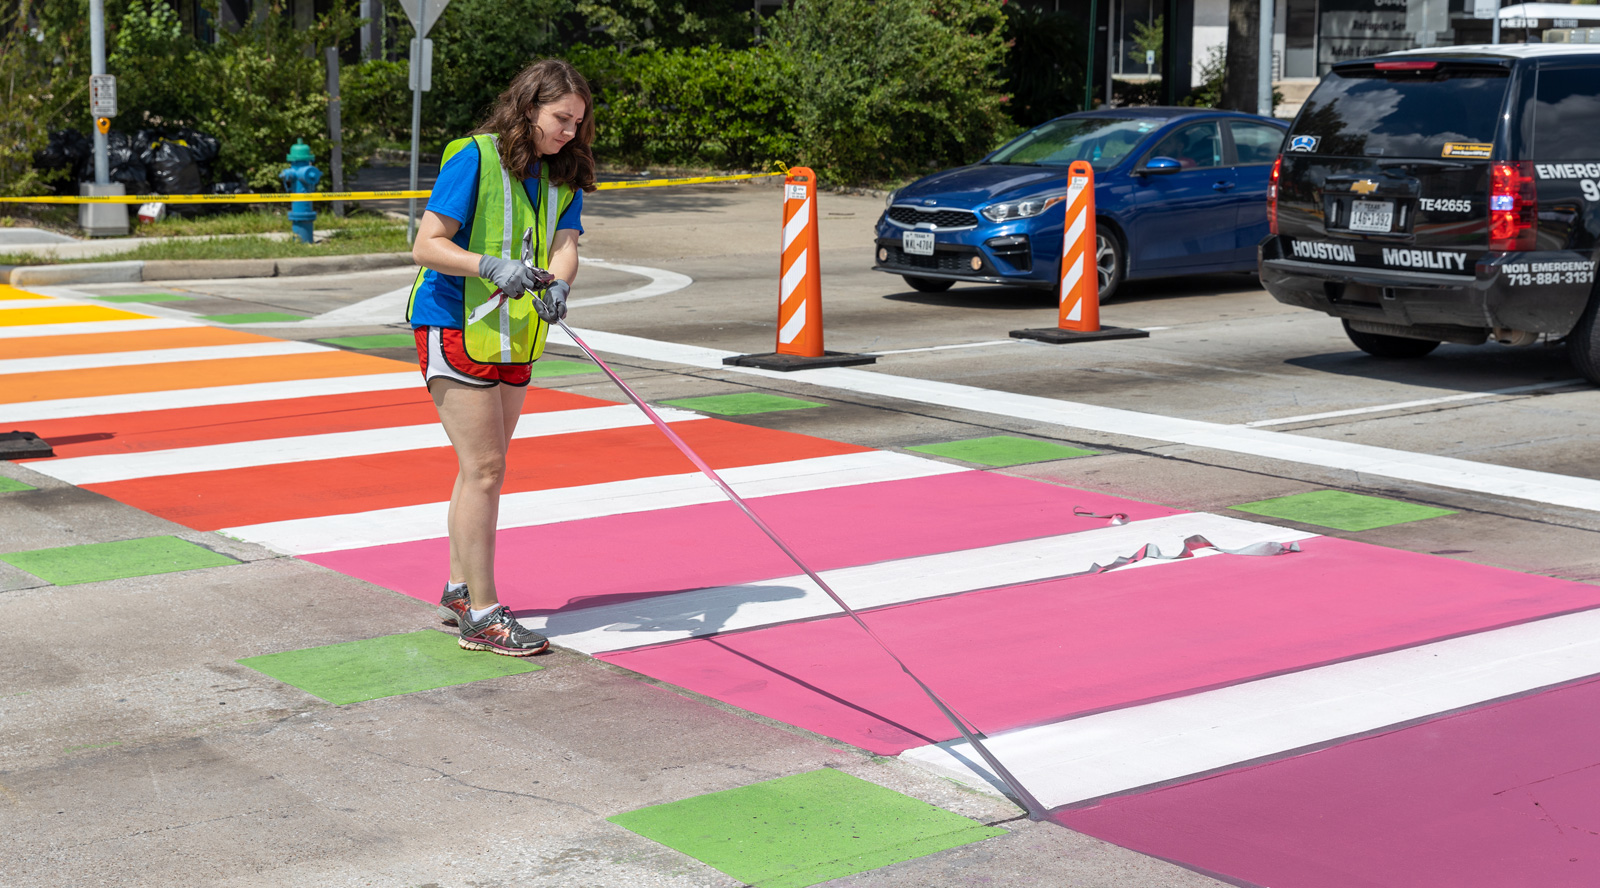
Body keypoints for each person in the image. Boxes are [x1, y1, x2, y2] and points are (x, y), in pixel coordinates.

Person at [407, 58, 596, 656]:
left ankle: (462, 589)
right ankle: (483, 615)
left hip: (514, 332)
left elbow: (565, 244)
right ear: (529, 107)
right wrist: (487, 265)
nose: (569, 132)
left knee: (482, 468)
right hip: (453, 321)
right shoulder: (474, 156)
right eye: (561, 119)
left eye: (577, 123)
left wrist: (560, 284)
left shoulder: (561, 172)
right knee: (486, 468)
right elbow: (426, 243)